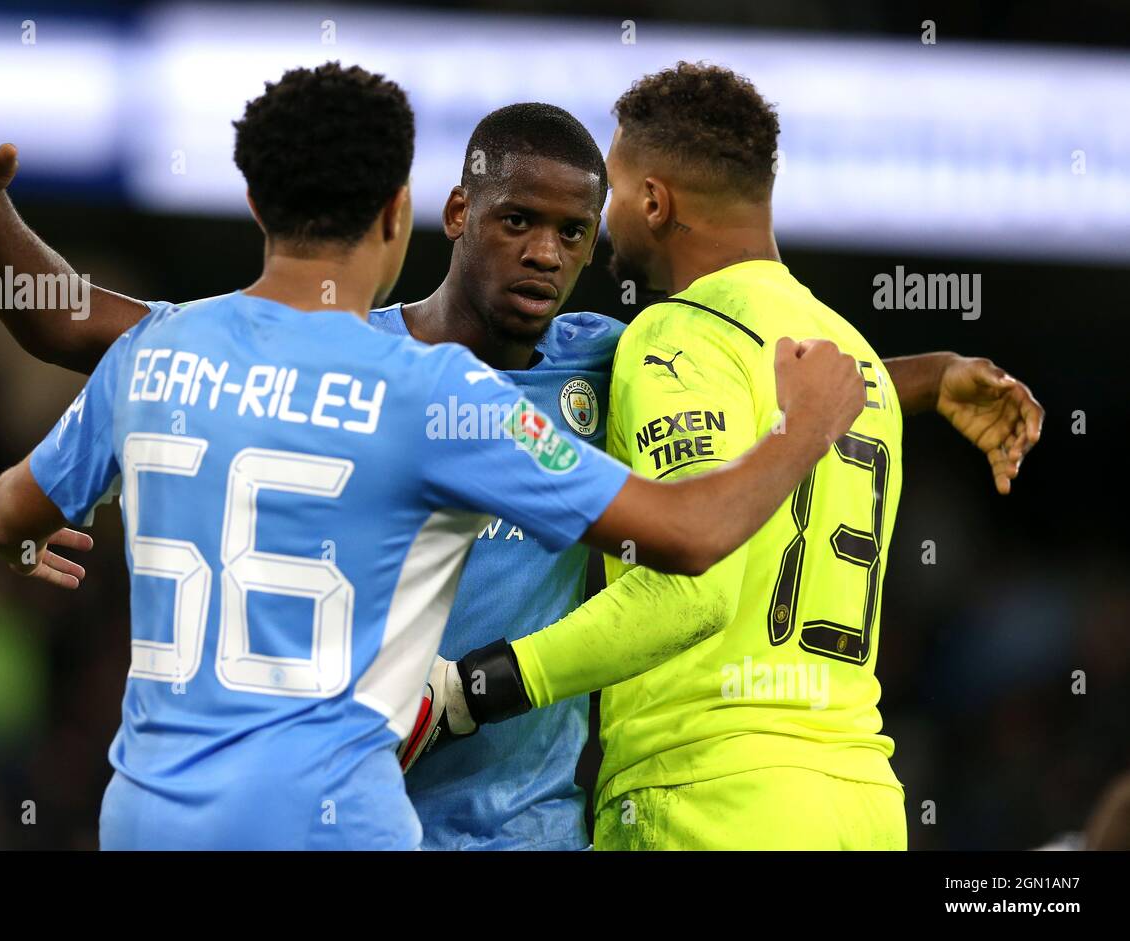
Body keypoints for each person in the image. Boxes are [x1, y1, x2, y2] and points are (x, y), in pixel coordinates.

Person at [0, 95, 1041, 851]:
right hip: (365, 802)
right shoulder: (357, 358)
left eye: (571, 229)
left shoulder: (607, 361)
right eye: (518, 220)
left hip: (524, 819)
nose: (547, 253)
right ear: (452, 215)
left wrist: (934, 372)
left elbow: (770, 380)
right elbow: (77, 323)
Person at [404, 62, 1044, 851]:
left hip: (711, 797)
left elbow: (690, 590)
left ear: (651, 201)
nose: (581, 240)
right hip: (864, 799)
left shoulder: (670, 337)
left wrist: (473, 687)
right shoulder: (848, 359)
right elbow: (794, 398)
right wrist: (936, 371)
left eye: (592, 215)